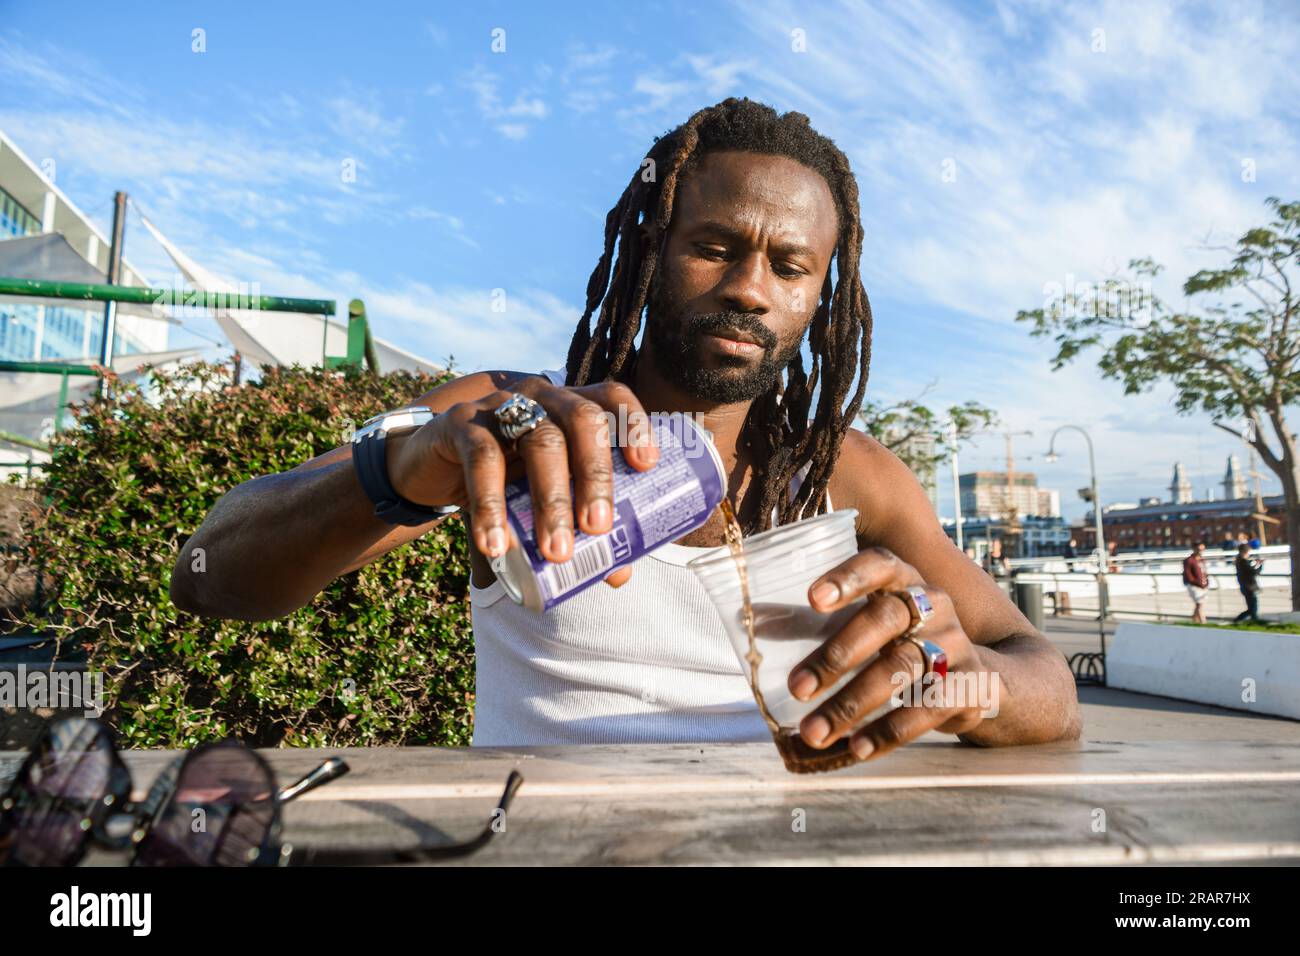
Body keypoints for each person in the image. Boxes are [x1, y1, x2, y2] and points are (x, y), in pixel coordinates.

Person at [170, 98, 1081, 761]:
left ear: (821, 294)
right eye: (715, 247)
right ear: (651, 248)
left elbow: (1045, 675)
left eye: (790, 267)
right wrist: (400, 470)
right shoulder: (514, 418)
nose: (750, 289)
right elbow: (209, 572)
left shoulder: (847, 475)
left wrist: (965, 683)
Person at [1233, 543, 1264, 623]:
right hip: (1249, 587)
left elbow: (1249, 570)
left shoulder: (1239, 560)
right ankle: (1238, 620)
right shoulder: (1243, 561)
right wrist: (1260, 565)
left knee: (1252, 607)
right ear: (1245, 552)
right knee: (1253, 608)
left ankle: (1252, 621)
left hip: (1245, 586)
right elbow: (1254, 572)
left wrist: (1256, 565)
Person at [1182, 541, 1210, 624]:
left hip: (1203, 585)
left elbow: (1205, 572)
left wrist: (1206, 582)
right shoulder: (1189, 560)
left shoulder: (1202, 560)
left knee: (1199, 604)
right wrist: (1196, 583)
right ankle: (1203, 622)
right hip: (1194, 585)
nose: (1201, 551)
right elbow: (1188, 574)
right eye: (1199, 549)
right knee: (1200, 603)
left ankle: (1194, 620)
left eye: (1203, 549)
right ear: (1194, 549)